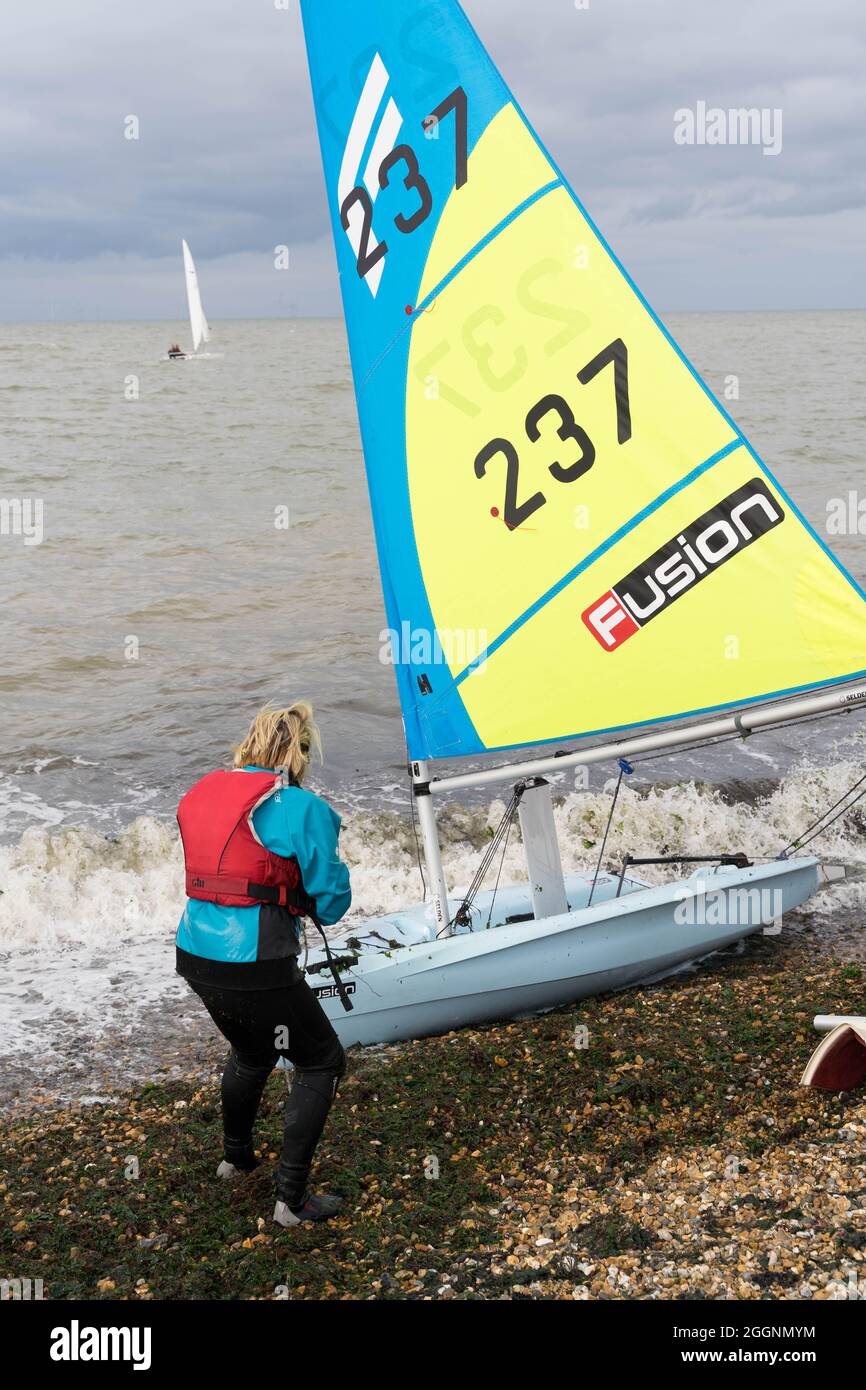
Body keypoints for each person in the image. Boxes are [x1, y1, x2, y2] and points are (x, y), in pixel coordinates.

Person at [176, 703, 352, 1227]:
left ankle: (236, 1159)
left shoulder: (201, 791)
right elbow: (333, 901)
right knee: (321, 1059)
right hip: (256, 962)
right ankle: (291, 1202)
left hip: (194, 954)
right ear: (300, 752)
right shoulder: (300, 806)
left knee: (253, 1050)